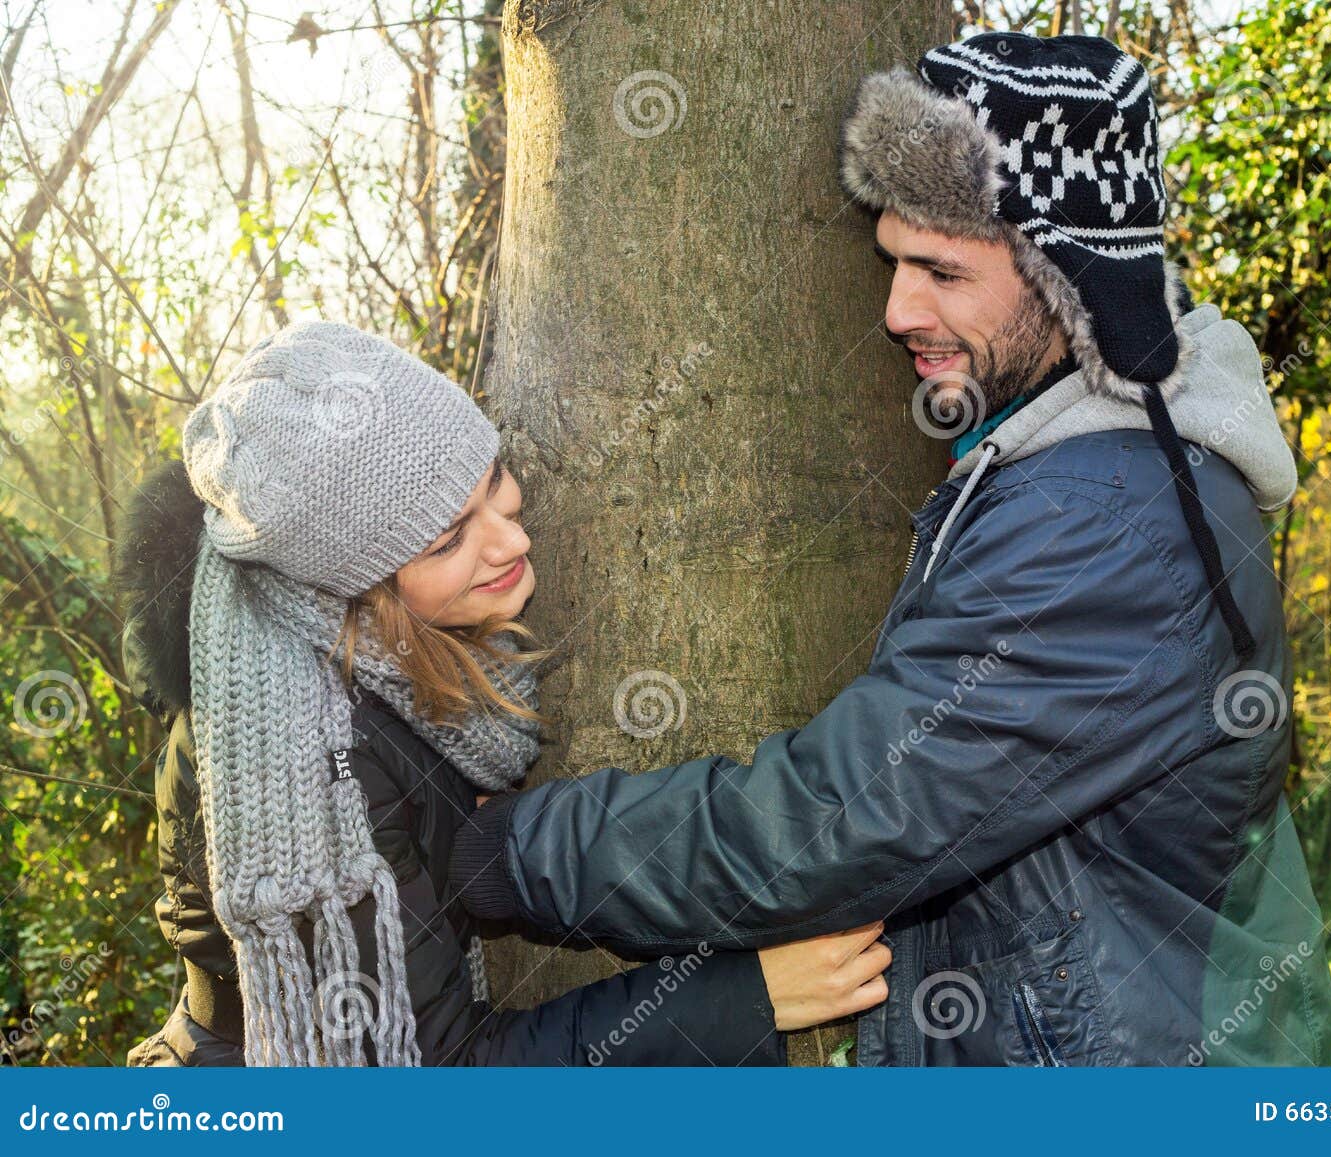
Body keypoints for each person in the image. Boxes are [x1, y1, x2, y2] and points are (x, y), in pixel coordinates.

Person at [449, 33, 1331, 1066]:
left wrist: (511, 853)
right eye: (893, 262)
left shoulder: (1106, 522)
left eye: (941, 270)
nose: (897, 310)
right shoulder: (1078, 459)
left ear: (1072, 275)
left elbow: (849, 814)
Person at [118, 321, 890, 1066]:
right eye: (450, 539)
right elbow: (439, 1076)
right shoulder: (307, 763)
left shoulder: (383, 651)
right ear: (359, 586)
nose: (512, 539)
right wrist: (744, 997)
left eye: (494, 482)